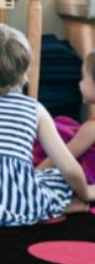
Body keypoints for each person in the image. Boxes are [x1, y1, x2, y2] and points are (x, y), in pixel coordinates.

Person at [0, 22, 95, 226]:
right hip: (20, 204)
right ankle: (68, 205)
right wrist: (86, 192)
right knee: (55, 177)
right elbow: (69, 167)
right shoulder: (35, 109)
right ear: (25, 69)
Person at [34, 48, 95, 183]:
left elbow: (61, 158)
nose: (80, 83)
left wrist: (32, 175)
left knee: (58, 129)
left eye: (83, 78)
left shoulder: (92, 128)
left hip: (86, 180)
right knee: (63, 124)